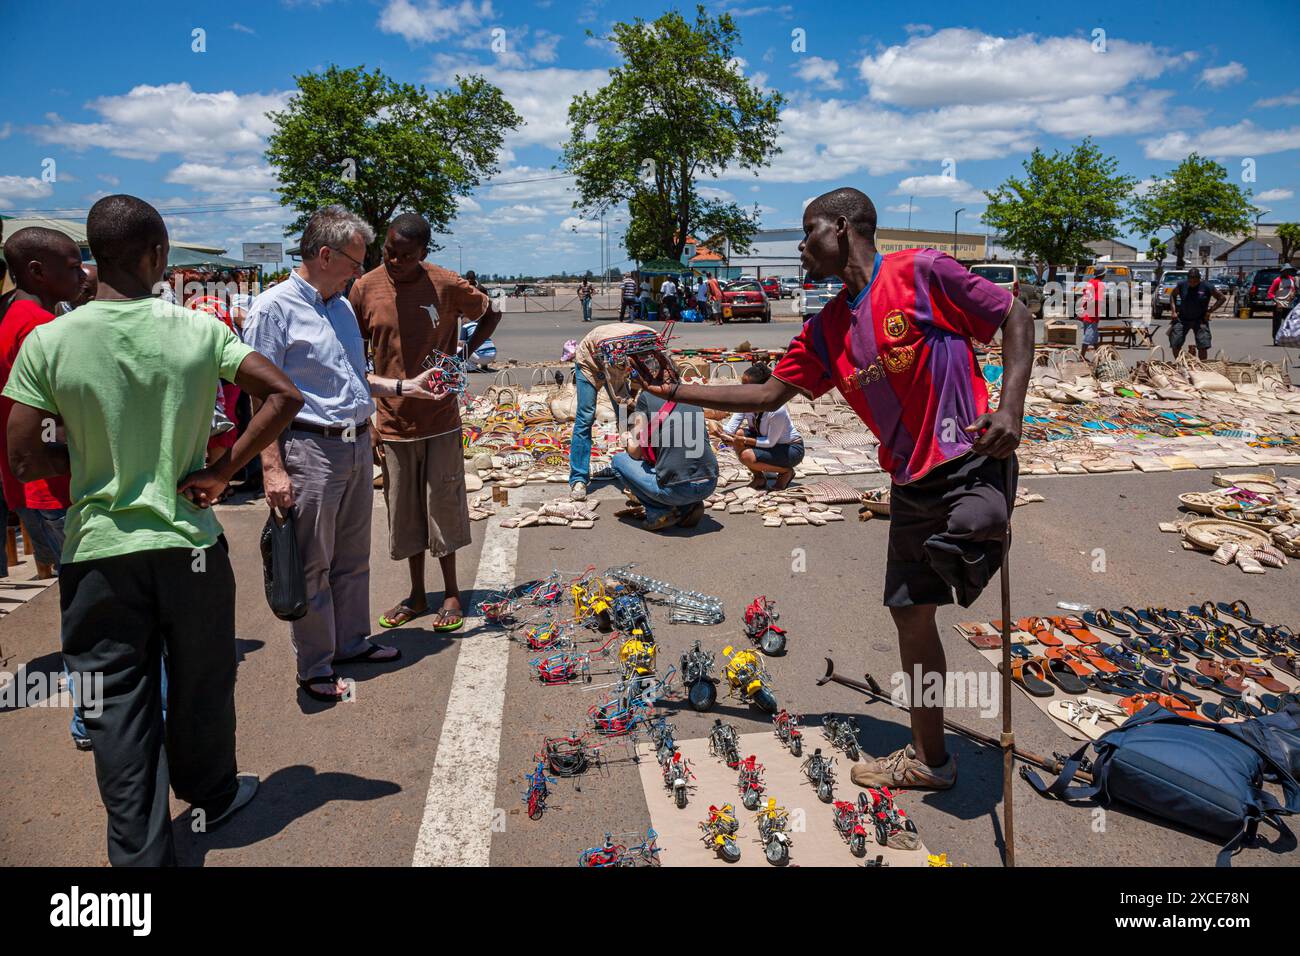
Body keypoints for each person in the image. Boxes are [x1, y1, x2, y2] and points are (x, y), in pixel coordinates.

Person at [648, 186, 1032, 791]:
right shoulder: (826, 329)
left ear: (844, 227)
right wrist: (675, 392)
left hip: (970, 455)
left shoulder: (923, 273)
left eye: (808, 232)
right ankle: (931, 762)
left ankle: (977, 535)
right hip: (909, 480)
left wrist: (1010, 408)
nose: (801, 246)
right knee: (909, 614)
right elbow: (768, 394)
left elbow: (1014, 315)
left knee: (971, 527)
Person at [4, 194, 306, 865]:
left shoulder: (49, 340)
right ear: (157, 255)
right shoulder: (196, 331)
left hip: (98, 552)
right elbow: (285, 394)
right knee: (202, 683)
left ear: (91, 258)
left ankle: (139, 857)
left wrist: (89, 463)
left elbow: (23, 453)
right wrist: (224, 469)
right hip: (189, 545)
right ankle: (213, 794)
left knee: (116, 708)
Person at [243, 205, 446, 702]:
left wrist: (405, 387)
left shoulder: (336, 306)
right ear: (325, 253)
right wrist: (272, 467)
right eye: (356, 261)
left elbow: (354, 380)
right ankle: (314, 666)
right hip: (309, 448)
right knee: (313, 562)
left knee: (352, 556)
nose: (362, 271)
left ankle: (351, 642)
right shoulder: (274, 308)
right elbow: (259, 396)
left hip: (354, 443)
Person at [348, 213, 500, 632]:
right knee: (405, 511)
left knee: (443, 505)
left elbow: (490, 312)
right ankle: (417, 594)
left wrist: (462, 357)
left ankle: (451, 592)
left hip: (440, 419)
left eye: (406, 256)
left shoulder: (446, 283)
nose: (395, 262)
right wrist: (371, 421)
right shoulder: (364, 288)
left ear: (424, 253)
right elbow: (353, 353)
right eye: (389, 253)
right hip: (393, 422)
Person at [0, 228, 82, 581]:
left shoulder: (10, 317)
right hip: (56, 487)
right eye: (73, 267)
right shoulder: (41, 328)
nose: (82, 276)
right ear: (37, 272)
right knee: (89, 596)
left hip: (26, 486)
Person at [611, 377, 718, 530]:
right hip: (709, 483)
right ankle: (687, 507)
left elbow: (635, 453)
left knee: (618, 461)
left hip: (678, 489)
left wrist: (626, 439)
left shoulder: (646, 397)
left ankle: (659, 512)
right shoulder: (691, 394)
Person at [568, 321, 650, 500]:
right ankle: (579, 479)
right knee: (586, 416)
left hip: (612, 359)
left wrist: (634, 403)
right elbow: (620, 395)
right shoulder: (617, 355)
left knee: (628, 419)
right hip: (589, 361)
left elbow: (639, 378)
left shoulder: (649, 347)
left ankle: (635, 474)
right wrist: (630, 403)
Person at [716, 363, 804, 491]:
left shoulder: (776, 408)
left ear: (760, 388)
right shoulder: (745, 402)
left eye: (746, 387)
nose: (742, 390)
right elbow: (730, 429)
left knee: (746, 455)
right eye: (742, 385)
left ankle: (786, 471)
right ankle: (759, 478)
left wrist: (743, 441)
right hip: (767, 443)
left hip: (790, 449)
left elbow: (769, 442)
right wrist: (716, 428)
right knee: (739, 433)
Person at [1169, 267, 1225, 360]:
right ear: (1187, 279)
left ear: (1199, 279)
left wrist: (1210, 311)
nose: (1192, 283)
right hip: (1182, 318)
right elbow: (1172, 295)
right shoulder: (1182, 285)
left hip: (1200, 319)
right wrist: (1173, 311)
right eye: (1190, 281)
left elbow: (1222, 298)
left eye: (1195, 281)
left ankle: (1202, 367)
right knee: (1175, 343)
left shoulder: (1207, 286)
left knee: (1203, 345)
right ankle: (1180, 363)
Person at [1079, 267, 1105, 360]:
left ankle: (1099, 357)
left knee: (1094, 336)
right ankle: (1081, 356)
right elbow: (1096, 299)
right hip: (1092, 314)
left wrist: (1084, 308)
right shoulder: (1100, 284)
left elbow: (1085, 296)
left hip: (1087, 313)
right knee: (1089, 336)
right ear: (1102, 275)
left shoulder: (1090, 282)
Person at [1268, 266, 1297, 342]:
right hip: (1279, 305)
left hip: (1289, 305)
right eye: (1287, 271)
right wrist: (1277, 303)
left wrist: (1293, 294)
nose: (1288, 272)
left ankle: (1287, 338)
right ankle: (1276, 339)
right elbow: (1270, 293)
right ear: (1283, 271)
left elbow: (1293, 290)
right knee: (1277, 324)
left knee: (1290, 323)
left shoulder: (1292, 279)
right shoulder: (1277, 280)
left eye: (1289, 271)